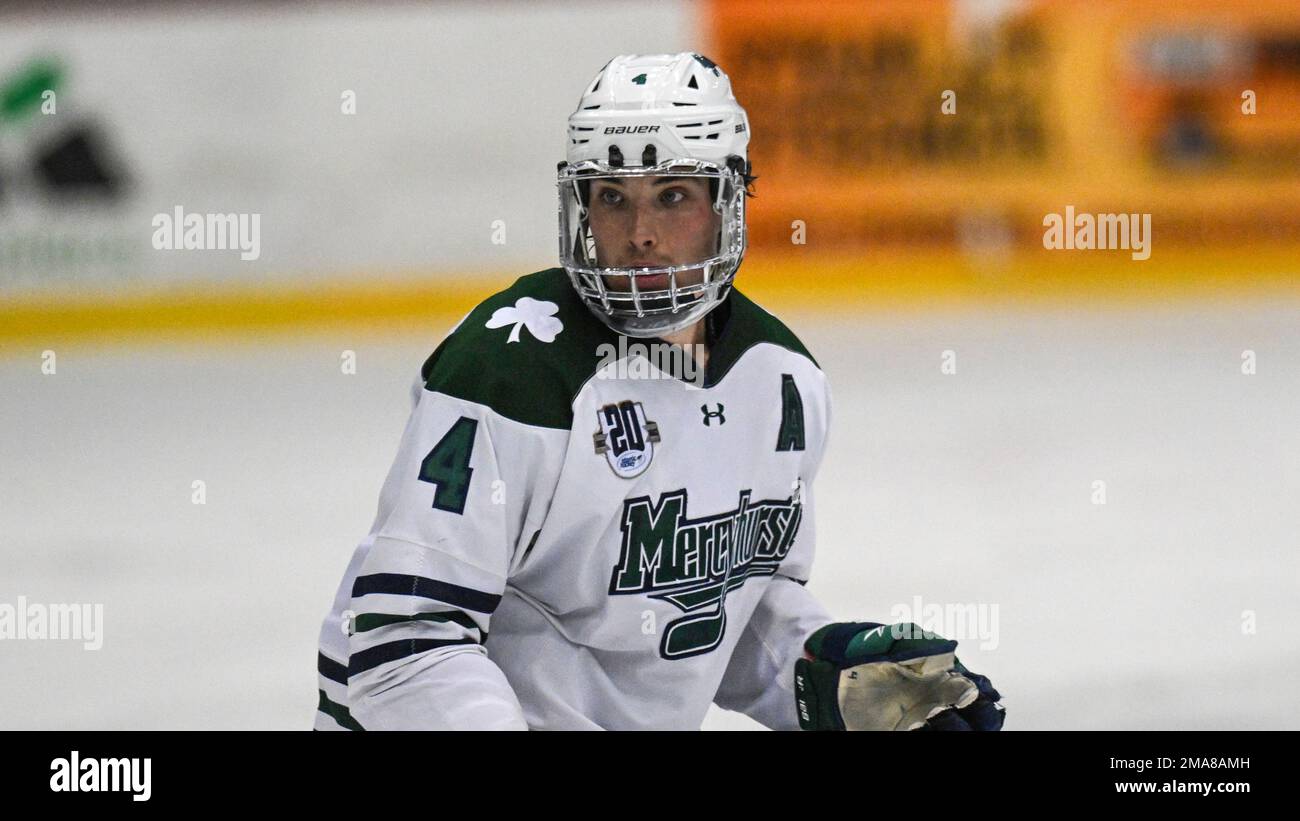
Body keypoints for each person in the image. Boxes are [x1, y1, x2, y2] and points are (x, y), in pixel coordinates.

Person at [313, 52, 1004, 731]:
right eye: (613, 198)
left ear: (726, 203)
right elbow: (402, 644)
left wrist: (827, 681)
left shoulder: (783, 383)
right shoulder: (509, 375)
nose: (639, 235)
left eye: (672, 196)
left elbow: (724, 614)